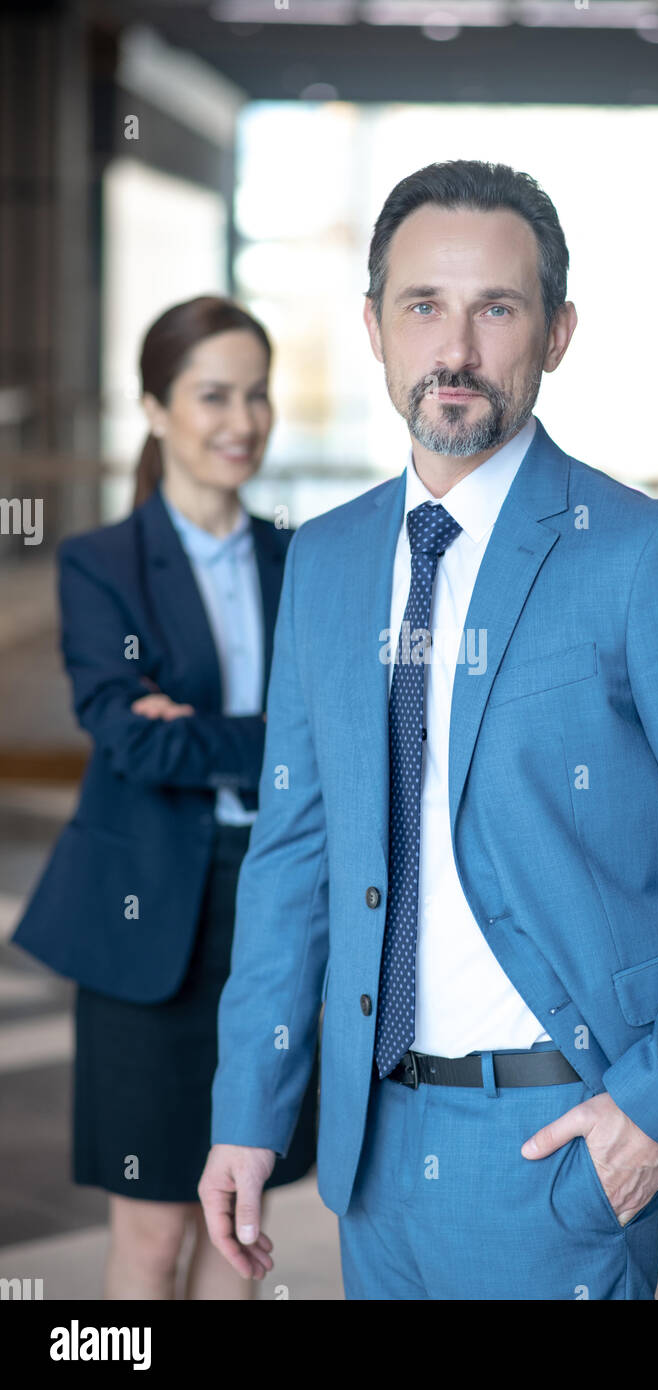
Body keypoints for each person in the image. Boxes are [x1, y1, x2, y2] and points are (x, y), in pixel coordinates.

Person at [199, 163, 658, 1300]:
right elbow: (294, 854)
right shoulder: (329, 558)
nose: (454, 347)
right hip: (368, 1145)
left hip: (559, 1146)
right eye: (421, 306)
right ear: (371, 328)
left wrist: (654, 1109)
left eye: (495, 308)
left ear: (554, 334)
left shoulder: (647, 555)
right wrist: (248, 1112)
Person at [12, 296, 318, 1299]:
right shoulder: (101, 565)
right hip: (148, 923)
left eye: (258, 395)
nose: (242, 420)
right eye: (212, 394)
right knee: (152, 1236)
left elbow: (339, 741)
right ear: (153, 407)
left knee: (239, 1225)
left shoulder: (301, 561)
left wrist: (198, 732)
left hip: (272, 909)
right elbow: (133, 743)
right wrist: (274, 744)